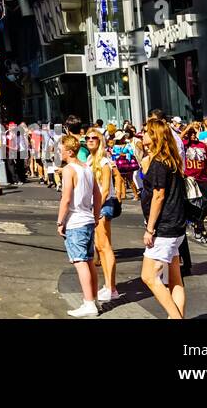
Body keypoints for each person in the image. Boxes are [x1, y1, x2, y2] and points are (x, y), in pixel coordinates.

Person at [140, 118, 188, 319]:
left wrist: (150, 229)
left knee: (149, 276)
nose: (143, 135)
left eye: (146, 131)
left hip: (165, 227)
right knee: (175, 278)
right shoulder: (171, 160)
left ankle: (175, 317)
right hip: (176, 225)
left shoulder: (159, 162)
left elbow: (158, 196)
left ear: (154, 135)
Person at [57, 134, 102, 317]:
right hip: (88, 219)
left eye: (60, 149)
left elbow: (66, 198)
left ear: (68, 151)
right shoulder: (87, 168)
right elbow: (97, 195)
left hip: (75, 220)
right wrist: (96, 216)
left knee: (80, 262)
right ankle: (94, 299)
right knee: (89, 261)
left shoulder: (69, 170)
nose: (59, 152)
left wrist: (60, 221)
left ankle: (89, 303)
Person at [86, 128, 120, 302]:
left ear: (100, 141)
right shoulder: (90, 159)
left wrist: (96, 210)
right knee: (100, 246)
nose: (90, 140)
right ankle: (109, 286)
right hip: (95, 206)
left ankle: (111, 287)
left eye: (94, 138)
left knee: (104, 247)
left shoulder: (104, 162)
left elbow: (105, 190)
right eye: (88, 138)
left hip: (103, 206)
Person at [181, 123, 207, 242]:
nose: (194, 135)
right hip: (190, 178)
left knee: (206, 203)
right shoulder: (183, 144)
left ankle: (198, 224)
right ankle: (200, 228)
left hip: (203, 178)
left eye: (195, 133)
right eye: (191, 134)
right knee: (194, 204)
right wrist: (187, 129)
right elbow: (178, 140)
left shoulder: (202, 145)